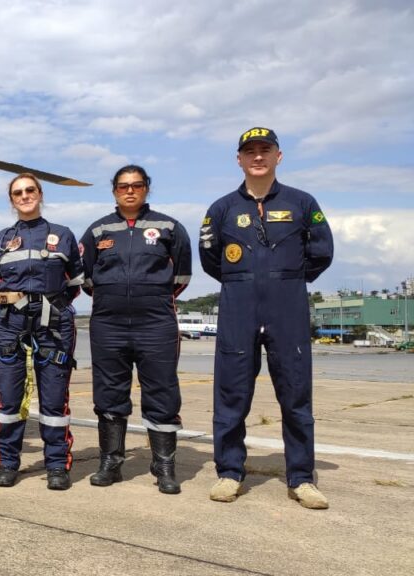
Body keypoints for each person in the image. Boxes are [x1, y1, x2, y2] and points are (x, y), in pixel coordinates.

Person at [201, 127, 333, 508]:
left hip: (287, 306)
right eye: (250, 152)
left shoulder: (302, 203)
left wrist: (288, 280)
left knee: (295, 394)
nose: (257, 157)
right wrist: (243, 281)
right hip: (238, 307)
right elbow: (212, 259)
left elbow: (322, 251)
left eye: (265, 150)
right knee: (231, 393)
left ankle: (302, 478)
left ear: (278, 156)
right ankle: (229, 472)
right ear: (239, 160)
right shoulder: (221, 209)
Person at [79, 165, 191, 495]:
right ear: (114, 190)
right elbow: (85, 276)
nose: (130, 191)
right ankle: (111, 461)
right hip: (108, 323)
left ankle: (164, 464)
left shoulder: (169, 227)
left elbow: (181, 276)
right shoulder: (98, 230)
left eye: (137, 185)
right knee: (110, 391)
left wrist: (149, 298)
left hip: (155, 322)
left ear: (146, 189)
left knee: (162, 391)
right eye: (123, 186)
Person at [0, 173, 83, 490]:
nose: (24, 196)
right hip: (9, 325)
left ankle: (56, 465)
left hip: (53, 326)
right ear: (12, 200)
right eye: (18, 192)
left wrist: (48, 307)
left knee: (54, 402)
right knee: (9, 400)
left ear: (40, 194)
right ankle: (7, 464)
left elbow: (75, 284)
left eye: (30, 190)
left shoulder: (63, 235)